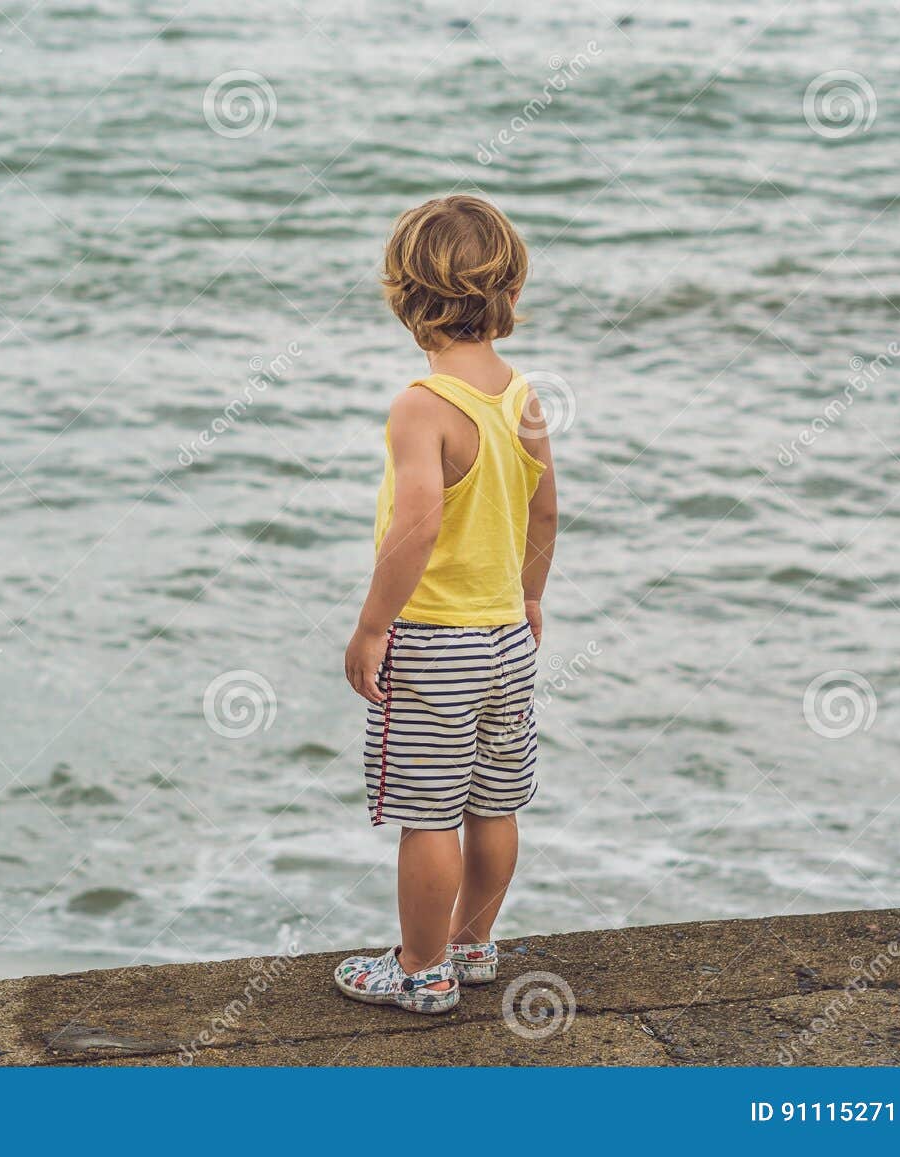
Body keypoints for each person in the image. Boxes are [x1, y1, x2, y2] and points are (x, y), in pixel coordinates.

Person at [334, 195, 558, 1014]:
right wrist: (530, 595)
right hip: (505, 635)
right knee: (493, 803)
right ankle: (472, 942)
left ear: (408, 294)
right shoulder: (522, 396)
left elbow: (416, 523)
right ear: (504, 288)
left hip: (434, 641)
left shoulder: (422, 405)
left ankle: (421, 968)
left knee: (427, 816)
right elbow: (545, 508)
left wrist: (371, 624)